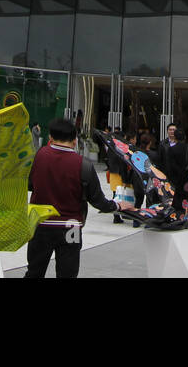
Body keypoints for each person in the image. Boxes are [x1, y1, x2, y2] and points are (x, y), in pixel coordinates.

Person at [24, 118, 120, 278]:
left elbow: (29, 184)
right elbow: (98, 201)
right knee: (67, 273)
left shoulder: (39, 157)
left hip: (40, 224)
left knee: (34, 271)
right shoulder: (83, 164)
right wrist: (117, 206)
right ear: (75, 140)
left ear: (50, 138)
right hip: (71, 227)